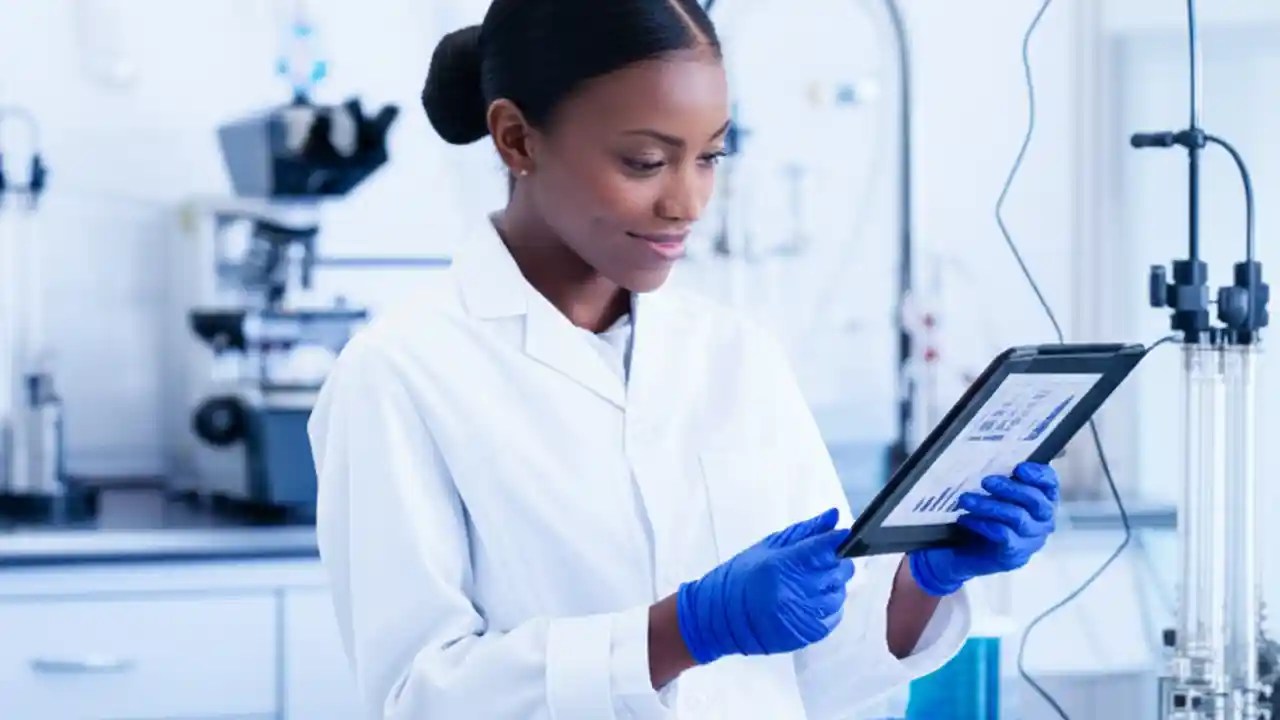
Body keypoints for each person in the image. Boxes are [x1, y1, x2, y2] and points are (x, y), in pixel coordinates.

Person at [306, 1, 1061, 718]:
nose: (689, 202)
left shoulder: (736, 354)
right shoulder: (401, 372)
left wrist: (925, 579)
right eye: (644, 162)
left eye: (710, 157)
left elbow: (809, 678)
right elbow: (419, 698)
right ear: (516, 139)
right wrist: (681, 631)